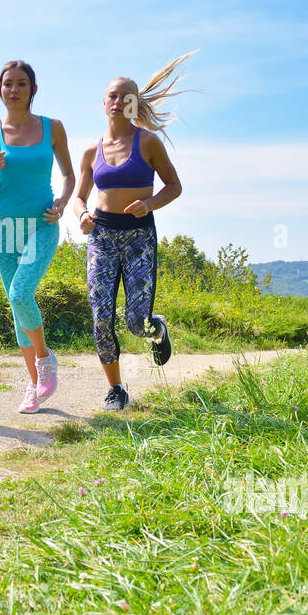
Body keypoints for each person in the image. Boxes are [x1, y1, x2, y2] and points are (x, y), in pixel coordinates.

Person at [71, 52, 194, 411]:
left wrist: (149, 204)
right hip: (102, 237)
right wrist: (81, 216)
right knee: (100, 318)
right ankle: (116, 389)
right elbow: (79, 197)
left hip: (139, 236)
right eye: (112, 95)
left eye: (127, 96)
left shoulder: (149, 142)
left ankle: (156, 328)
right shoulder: (92, 149)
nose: (118, 101)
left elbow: (174, 186)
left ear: (135, 104)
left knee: (136, 322)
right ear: (103, 102)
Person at [0, 60, 75, 413]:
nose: (13, 90)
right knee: (17, 307)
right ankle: (33, 385)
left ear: (33, 89)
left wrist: (62, 202)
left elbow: (69, 175)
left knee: (20, 292)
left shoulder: (52, 128)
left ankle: (45, 361)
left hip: (42, 223)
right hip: (5, 228)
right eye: (7, 84)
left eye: (21, 83)